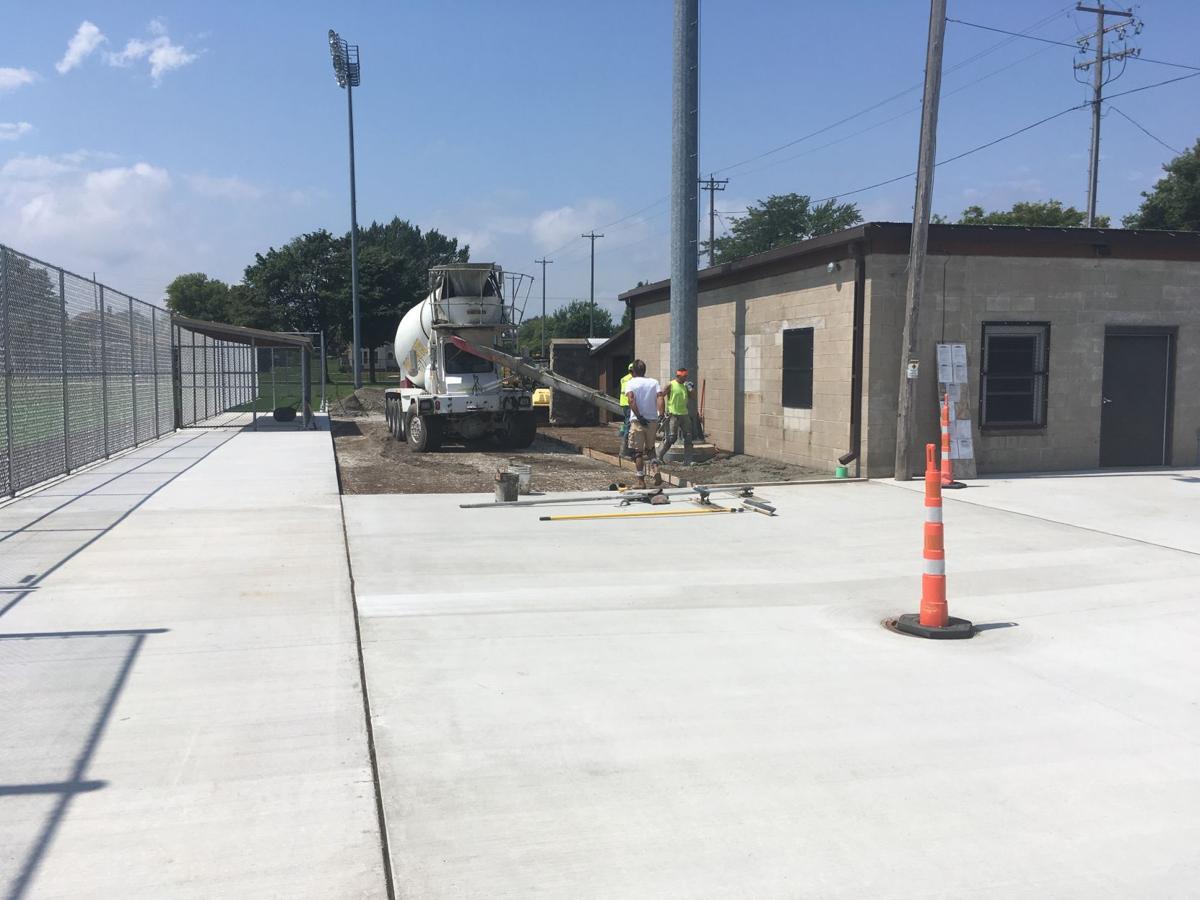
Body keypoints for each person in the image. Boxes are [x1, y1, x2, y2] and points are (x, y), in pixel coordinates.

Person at [623, 359, 663, 489]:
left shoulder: (631, 383)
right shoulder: (654, 382)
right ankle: (656, 471)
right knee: (651, 449)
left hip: (638, 421)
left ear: (633, 371)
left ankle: (641, 481)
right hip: (652, 420)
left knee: (638, 453)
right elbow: (660, 398)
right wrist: (660, 415)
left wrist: (639, 416)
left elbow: (631, 400)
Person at [658, 367, 694, 465]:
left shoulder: (686, 386)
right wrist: (661, 413)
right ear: (678, 376)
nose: (685, 378)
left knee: (688, 437)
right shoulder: (671, 385)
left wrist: (691, 389)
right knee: (671, 438)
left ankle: (688, 461)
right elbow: (661, 396)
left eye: (686, 376)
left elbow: (692, 397)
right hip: (673, 415)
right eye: (684, 376)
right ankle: (659, 457)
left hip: (684, 414)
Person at [618, 362, 634, 458]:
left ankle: (625, 447)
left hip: (623, 403)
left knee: (626, 423)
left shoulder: (623, 378)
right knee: (629, 425)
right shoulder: (631, 379)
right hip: (629, 404)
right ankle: (624, 451)